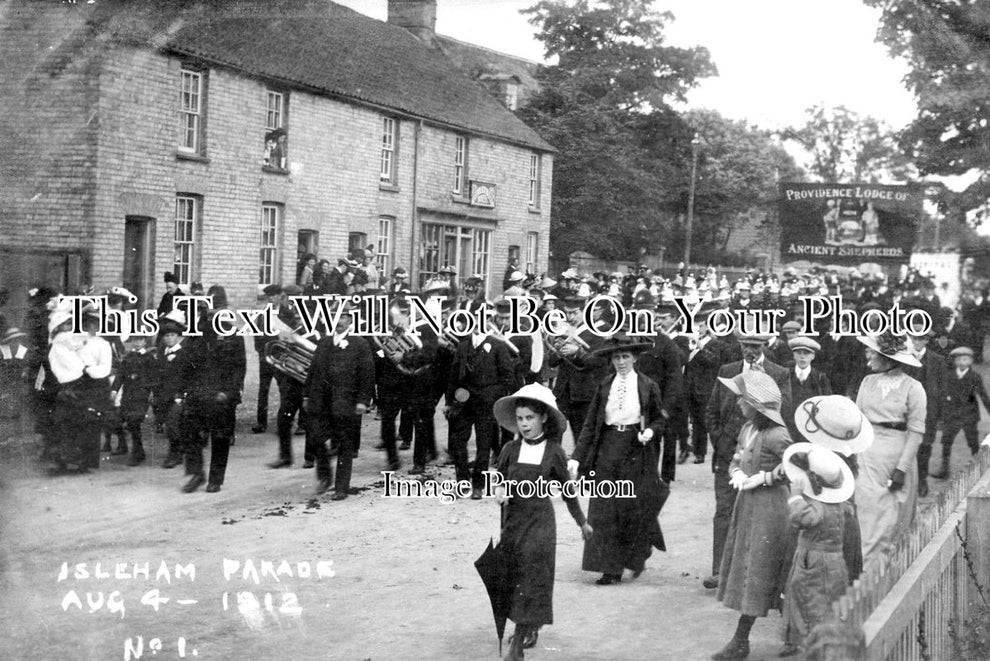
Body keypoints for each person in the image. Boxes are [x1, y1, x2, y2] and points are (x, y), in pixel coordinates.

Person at [491, 383, 590, 660]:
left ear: (544, 417)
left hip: (540, 526)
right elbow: (499, 478)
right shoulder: (510, 448)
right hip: (512, 524)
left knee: (533, 578)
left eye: (530, 418)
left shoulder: (555, 452)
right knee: (514, 578)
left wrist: (582, 522)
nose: (524, 424)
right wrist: (500, 492)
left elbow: (569, 493)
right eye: (520, 418)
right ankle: (529, 625)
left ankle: (518, 644)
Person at [569, 333, 667, 585]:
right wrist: (577, 457)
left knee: (630, 506)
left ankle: (636, 557)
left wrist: (650, 431)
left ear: (634, 358)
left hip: (636, 448)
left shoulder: (647, 385)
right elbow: (591, 424)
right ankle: (609, 568)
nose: (621, 362)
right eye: (616, 358)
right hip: (608, 446)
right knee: (603, 507)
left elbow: (660, 418)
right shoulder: (604, 385)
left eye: (625, 357)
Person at [711, 371, 792, 661]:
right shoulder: (748, 429)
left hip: (772, 511)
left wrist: (765, 477)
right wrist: (736, 474)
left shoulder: (778, 435)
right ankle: (748, 639)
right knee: (751, 567)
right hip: (748, 507)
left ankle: (742, 639)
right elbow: (736, 456)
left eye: (741, 399)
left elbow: (793, 468)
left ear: (755, 403)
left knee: (762, 569)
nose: (737, 403)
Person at [703, 332, 792, 590]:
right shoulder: (728, 370)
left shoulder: (778, 373)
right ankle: (720, 570)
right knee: (724, 509)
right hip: (729, 451)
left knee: (759, 513)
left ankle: (758, 573)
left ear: (764, 345)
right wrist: (720, 441)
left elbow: (784, 411)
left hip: (763, 453)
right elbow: (710, 410)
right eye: (745, 346)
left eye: (755, 346)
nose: (749, 351)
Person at [855, 332, 926, 566]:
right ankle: (867, 578)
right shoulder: (867, 381)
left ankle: (886, 580)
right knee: (868, 515)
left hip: (896, 457)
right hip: (867, 454)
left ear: (886, 356)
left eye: (872, 352)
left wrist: (902, 469)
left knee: (891, 520)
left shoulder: (913, 388)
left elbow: (916, 432)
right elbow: (858, 420)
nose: (868, 356)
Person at [780, 443, 856, 655]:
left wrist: (795, 497)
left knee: (810, 601)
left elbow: (801, 518)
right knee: (828, 601)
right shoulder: (840, 504)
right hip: (834, 561)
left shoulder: (818, 507)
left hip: (814, 561)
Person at [305, 299, 375, 499]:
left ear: (350, 320)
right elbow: (313, 370)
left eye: (343, 317)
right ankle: (325, 476)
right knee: (317, 438)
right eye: (335, 317)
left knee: (345, 444)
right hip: (322, 401)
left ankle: (341, 487)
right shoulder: (325, 342)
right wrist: (306, 394)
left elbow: (367, 375)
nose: (339, 321)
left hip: (347, 402)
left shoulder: (360, 344)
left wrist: (363, 400)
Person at [181, 285, 246, 493]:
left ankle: (215, 479)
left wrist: (228, 392)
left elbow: (239, 366)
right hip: (199, 392)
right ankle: (197, 474)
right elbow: (188, 361)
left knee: (220, 438)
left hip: (221, 394)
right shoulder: (197, 331)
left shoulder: (232, 333)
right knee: (190, 433)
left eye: (217, 309)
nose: (213, 314)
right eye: (210, 310)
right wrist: (187, 389)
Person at [932, 346, 990, 478]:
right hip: (952, 415)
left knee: (973, 442)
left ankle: (979, 469)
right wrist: (940, 415)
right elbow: (943, 395)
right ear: (955, 362)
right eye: (959, 359)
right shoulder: (949, 376)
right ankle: (944, 469)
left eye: (966, 359)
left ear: (970, 361)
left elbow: (984, 396)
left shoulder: (975, 377)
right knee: (946, 441)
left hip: (970, 415)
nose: (963, 362)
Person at [253, 283, 283, 434]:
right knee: (263, 390)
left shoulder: (285, 313)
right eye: (269, 296)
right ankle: (261, 423)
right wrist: (260, 353)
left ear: (279, 296)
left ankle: (284, 422)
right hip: (266, 357)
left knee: (284, 389)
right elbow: (257, 335)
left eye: (274, 296)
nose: (271, 299)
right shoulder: (262, 314)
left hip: (282, 358)